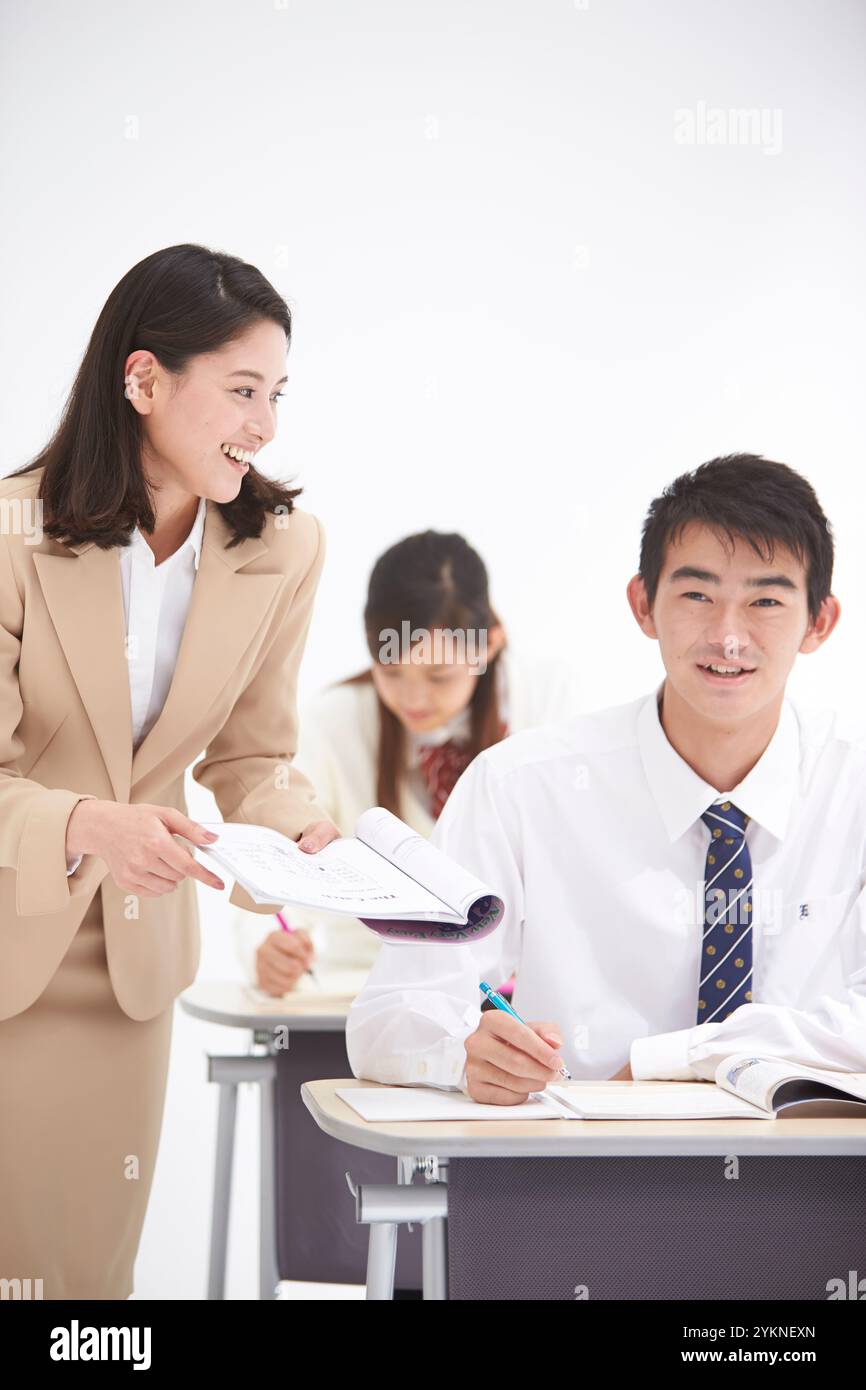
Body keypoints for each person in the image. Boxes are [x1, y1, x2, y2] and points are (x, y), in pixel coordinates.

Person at [0, 243, 338, 1299]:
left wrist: (310, 837)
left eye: (276, 394)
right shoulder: (12, 533)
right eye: (242, 390)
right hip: (10, 927)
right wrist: (91, 824)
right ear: (142, 380)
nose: (266, 424)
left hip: (126, 977)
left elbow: (252, 755)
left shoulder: (283, 549)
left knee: (83, 1279)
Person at [346, 454, 866, 1100]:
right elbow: (389, 1013)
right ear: (643, 605)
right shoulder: (520, 788)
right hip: (585, 1180)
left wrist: (676, 1059)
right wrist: (461, 1053)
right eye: (697, 595)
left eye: (765, 600)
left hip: (819, 1184)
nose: (728, 637)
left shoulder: (853, 788)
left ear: (820, 622)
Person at [228, 529, 583, 1292]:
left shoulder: (554, 706)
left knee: (529, 1241)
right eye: (392, 671)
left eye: (441, 675)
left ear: (491, 645)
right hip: (371, 1005)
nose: (415, 698)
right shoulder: (329, 722)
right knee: (374, 1228)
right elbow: (276, 867)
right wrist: (268, 947)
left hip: (530, 1015)